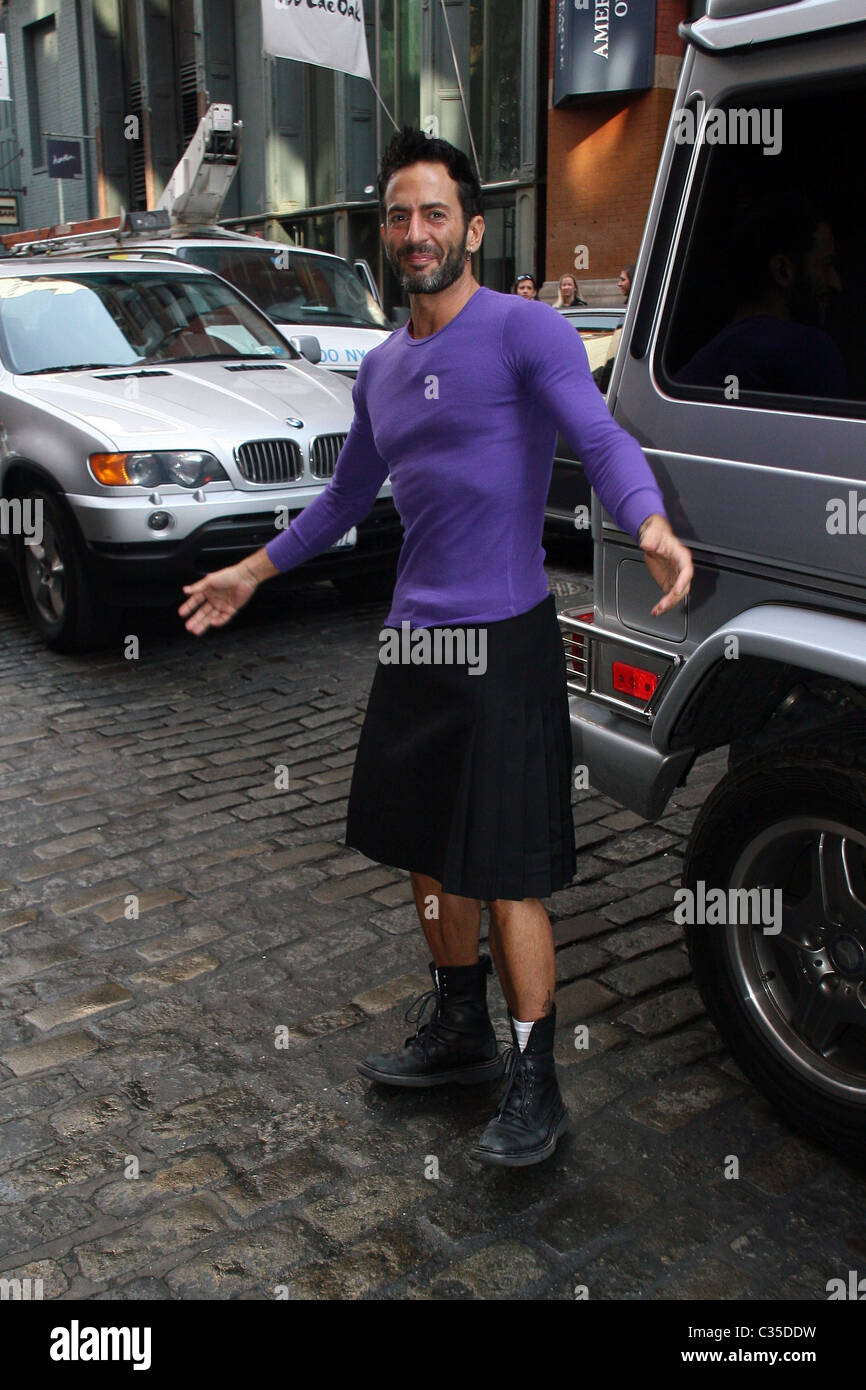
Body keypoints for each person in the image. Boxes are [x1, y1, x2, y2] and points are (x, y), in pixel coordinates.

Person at [178, 127, 693, 1169]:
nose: (415, 233)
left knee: (504, 869)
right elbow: (341, 501)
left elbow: (598, 439)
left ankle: (534, 1076)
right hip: (413, 645)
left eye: (434, 214)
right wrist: (252, 570)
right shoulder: (379, 368)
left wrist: (644, 520)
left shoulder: (522, 332)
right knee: (425, 847)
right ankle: (459, 1027)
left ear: (470, 224)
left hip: (503, 637)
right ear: (386, 233)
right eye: (399, 217)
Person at [676, 193, 845, 398]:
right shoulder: (809, 349)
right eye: (827, 265)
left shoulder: (702, 364)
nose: (836, 283)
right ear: (782, 271)